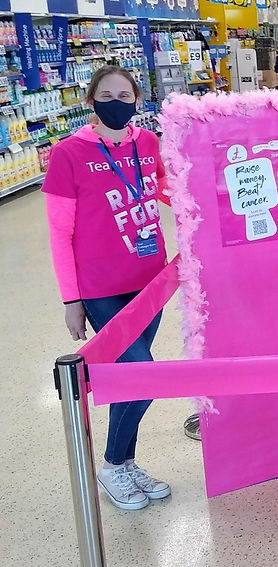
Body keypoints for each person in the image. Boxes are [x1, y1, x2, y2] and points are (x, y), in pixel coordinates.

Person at [43, 66, 172, 510]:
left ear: (137, 100)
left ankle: (126, 462)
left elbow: (163, 189)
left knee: (128, 378)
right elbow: (60, 234)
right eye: (106, 94)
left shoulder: (147, 143)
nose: (117, 102)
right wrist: (71, 300)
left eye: (125, 94)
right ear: (91, 101)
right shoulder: (68, 153)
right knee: (142, 377)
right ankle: (114, 465)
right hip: (100, 288)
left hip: (149, 281)